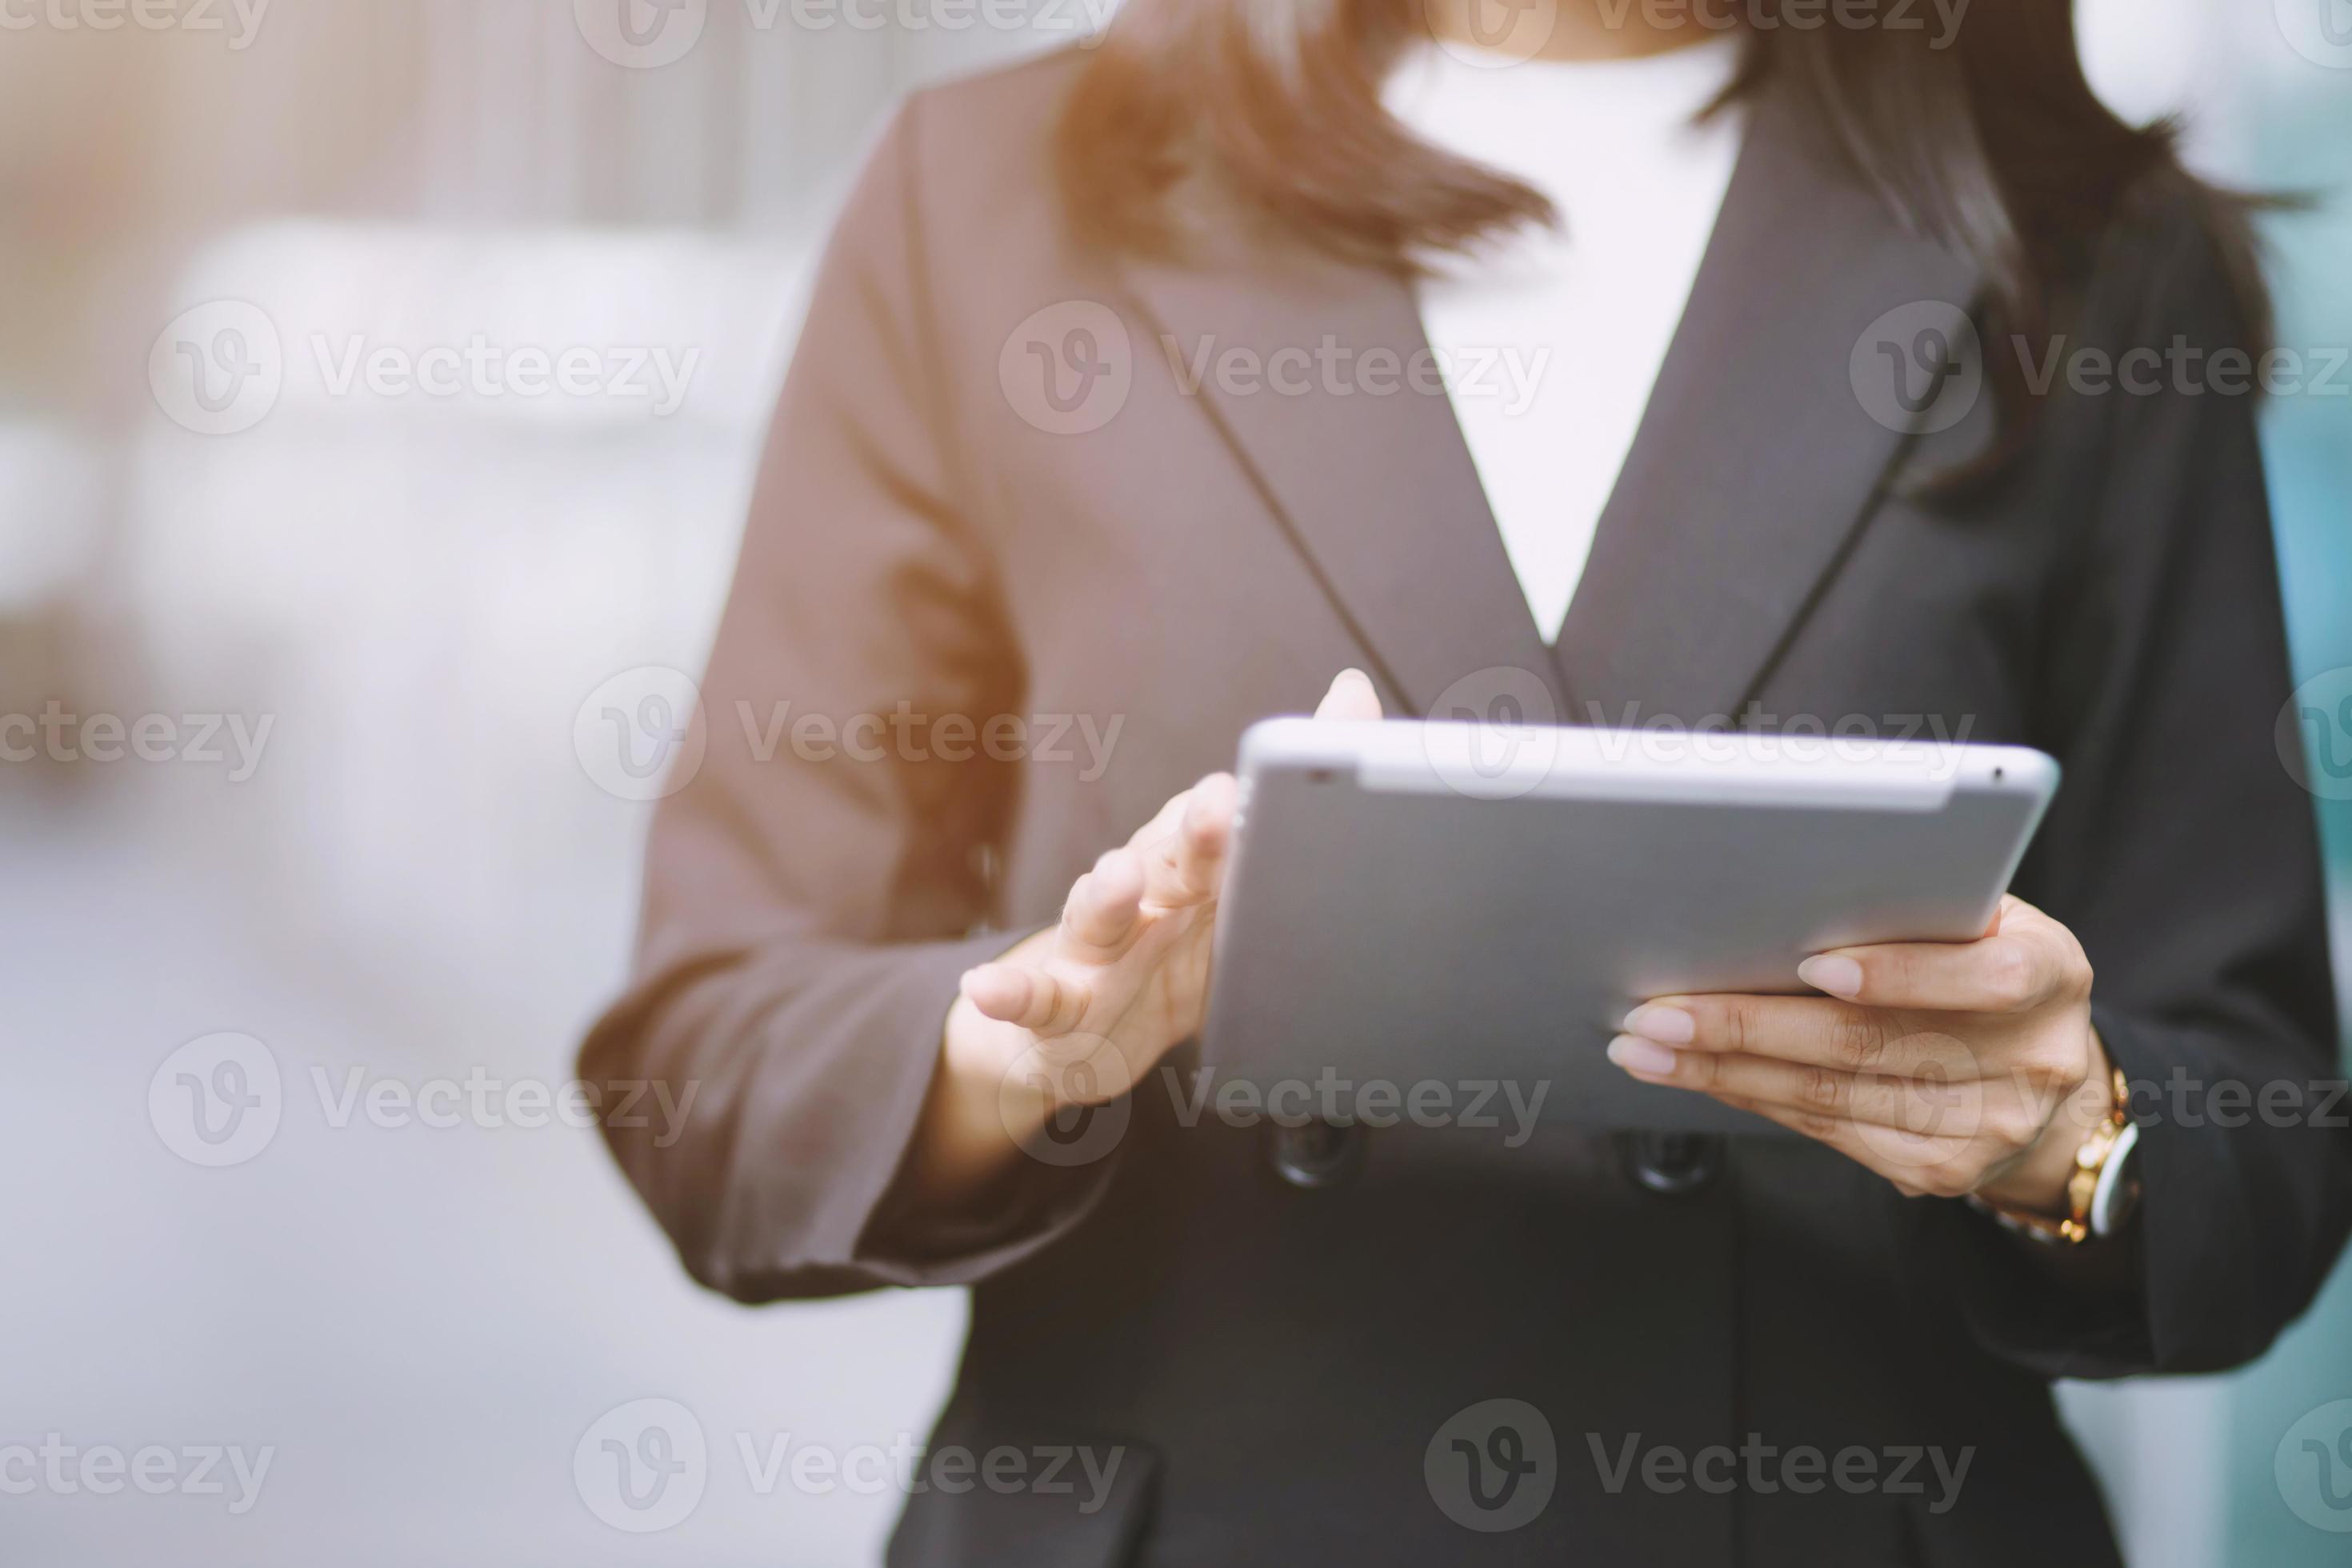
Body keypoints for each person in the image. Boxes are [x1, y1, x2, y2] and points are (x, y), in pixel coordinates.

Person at [580, 2, 2352, 1561]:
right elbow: (706, 1069)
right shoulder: (990, 197)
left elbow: (2265, 1138)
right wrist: (1017, 1054)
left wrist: (2077, 1133)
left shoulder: (2078, 238)